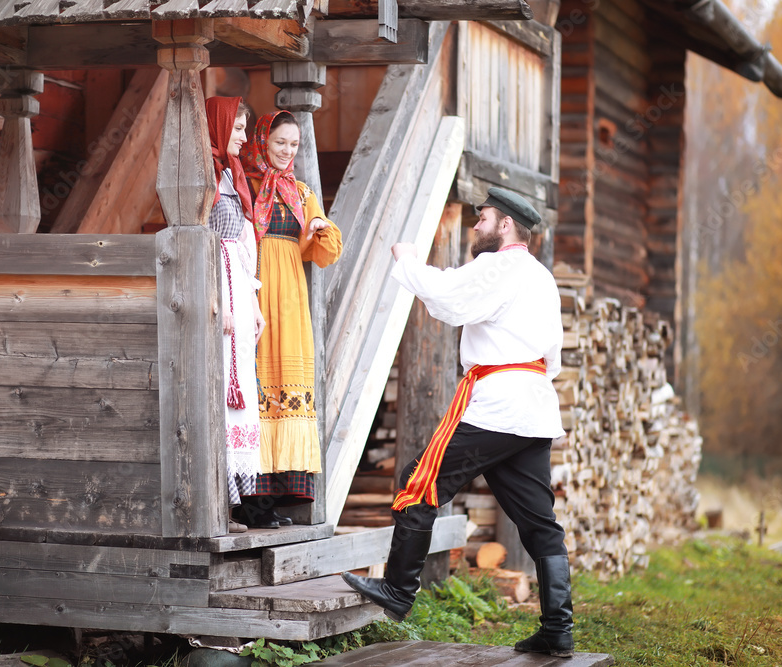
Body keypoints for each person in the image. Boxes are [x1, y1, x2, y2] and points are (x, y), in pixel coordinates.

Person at [341, 187, 574, 658]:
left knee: (417, 483)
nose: (475, 225)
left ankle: (398, 590)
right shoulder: (541, 277)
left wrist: (407, 260)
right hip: (532, 408)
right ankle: (558, 630)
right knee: (540, 523)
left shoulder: (499, 266)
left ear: (505, 225)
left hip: (498, 405)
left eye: (482, 217)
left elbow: (448, 297)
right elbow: (551, 357)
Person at [238, 110, 343, 528]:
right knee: (257, 383)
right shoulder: (244, 184)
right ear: (262, 140)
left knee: (287, 387)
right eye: (279, 142)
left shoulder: (300, 192)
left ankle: (276, 500)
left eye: (294, 144)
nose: (286, 151)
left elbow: (327, 253)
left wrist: (318, 223)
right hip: (256, 291)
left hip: (291, 302)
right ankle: (251, 505)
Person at [205, 96, 266, 534]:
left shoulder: (231, 174)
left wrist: (255, 304)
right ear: (219, 124)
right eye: (238, 128)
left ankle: (231, 506)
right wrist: (215, 299)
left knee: (239, 384)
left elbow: (243, 249)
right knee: (220, 390)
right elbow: (199, 243)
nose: (244, 137)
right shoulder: (203, 176)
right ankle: (215, 506)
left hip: (239, 290)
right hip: (219, 288)